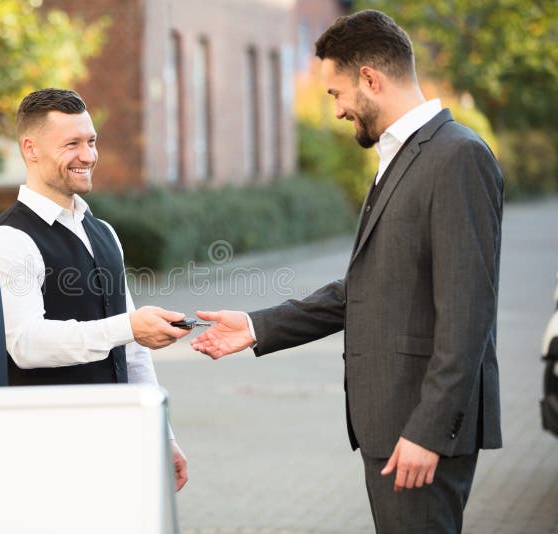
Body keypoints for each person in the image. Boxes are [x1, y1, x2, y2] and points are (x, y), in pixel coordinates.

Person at [191, 9, 503, 533]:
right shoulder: (401, 156)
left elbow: (468, 311)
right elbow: (368, 288)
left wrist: (429, 430)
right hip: (391, 425)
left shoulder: (457, 157)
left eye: (336, 93)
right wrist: (256, 327)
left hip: (419, 429)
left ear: (370, 79)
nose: (336, 109)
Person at [0, 88, 190, 491]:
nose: (89, 155)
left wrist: (162, 433)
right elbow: (26, 344)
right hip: (47, 453)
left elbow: (134, 355)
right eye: (72, 144)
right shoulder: (8, 237)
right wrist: (128, 327)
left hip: (116, 443)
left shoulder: (105, 232)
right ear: (31, 149)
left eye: (92, 141)